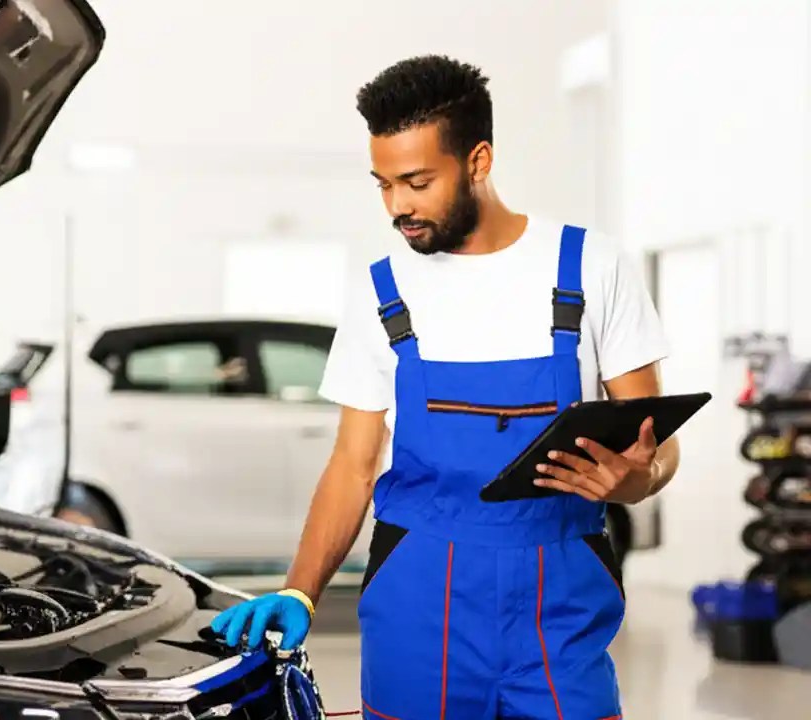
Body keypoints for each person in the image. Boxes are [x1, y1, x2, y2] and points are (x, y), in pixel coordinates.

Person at [210, 55, 679, 720]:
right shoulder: (381, 290)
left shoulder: (591, 267)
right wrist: (302, 591)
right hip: (418, 607)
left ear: (478, 162)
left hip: (562, 605)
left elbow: (656, 448)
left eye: (417, 181)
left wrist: (634, 479)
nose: (398, 205)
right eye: (383, 184)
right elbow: (353, 464)